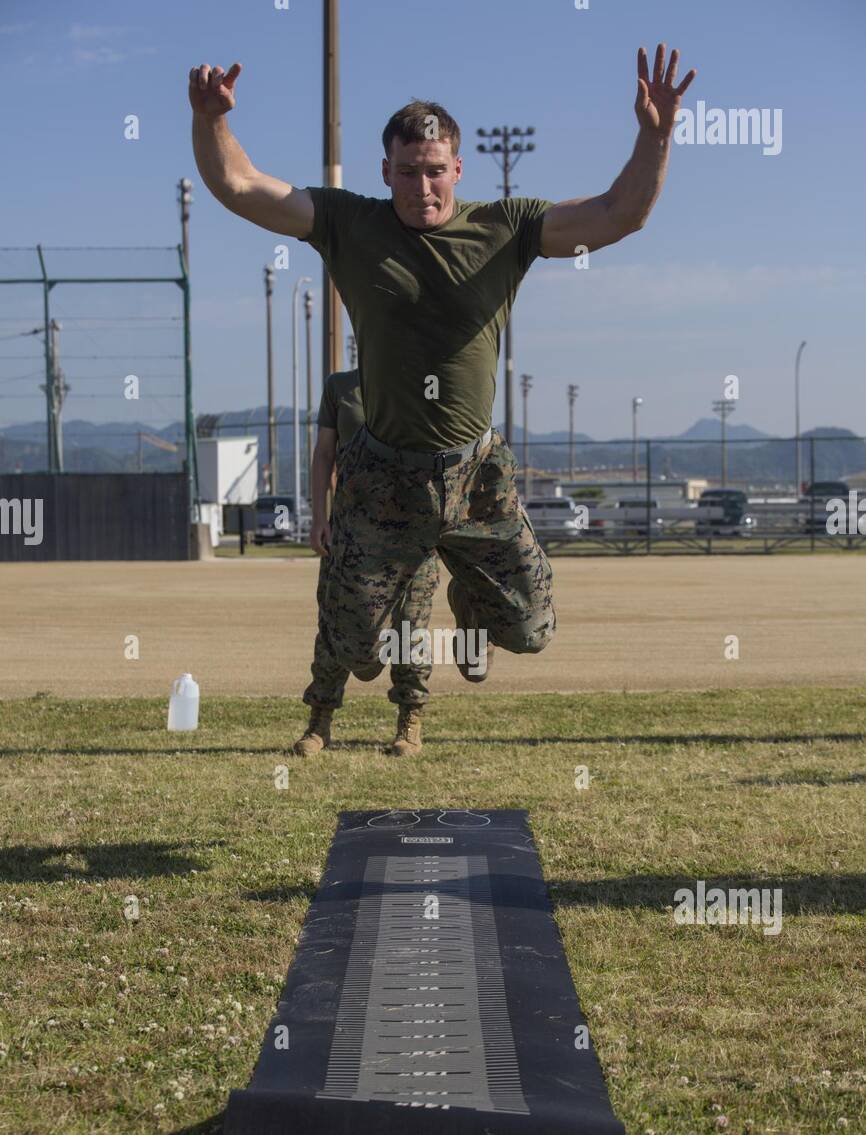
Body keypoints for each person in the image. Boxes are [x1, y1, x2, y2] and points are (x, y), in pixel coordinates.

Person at [189, 45, 695, 690]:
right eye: (406, 172)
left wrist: (656, 136)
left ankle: (469, 602)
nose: (421, 187)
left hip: (475, 469)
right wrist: (212, 123)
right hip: (383, 471)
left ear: (457, 168)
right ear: (386, 170)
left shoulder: (506, 228)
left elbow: (619, 216)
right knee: (357, 652)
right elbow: (241, 187)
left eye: (434, 171)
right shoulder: (350, 222)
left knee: (530, 631)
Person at [295, 366, 440, 758]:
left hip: (411, 532)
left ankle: (410, 722)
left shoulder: (422, 380)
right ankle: (319, 722)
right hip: (351, 532)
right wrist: (319, 518)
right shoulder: (341, 387)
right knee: (334, 625)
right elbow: (325, 453)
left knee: (410, 628)